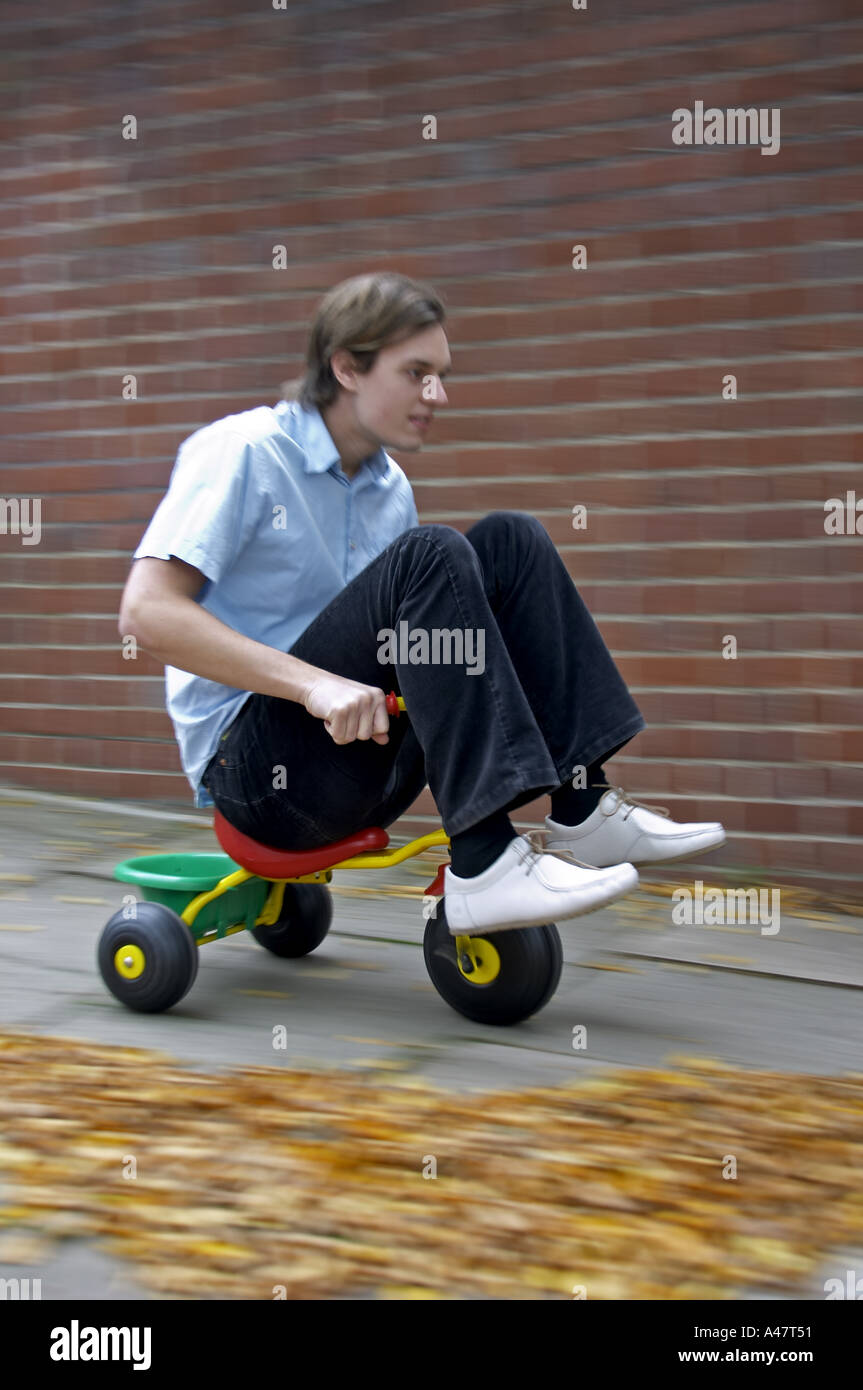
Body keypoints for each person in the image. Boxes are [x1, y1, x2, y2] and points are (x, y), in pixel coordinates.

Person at [120, 271, 724, 937]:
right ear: (347, 367)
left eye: (440, 375)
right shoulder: (244, 452)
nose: (437, 394)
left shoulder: (389, 489)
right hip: (262, 779)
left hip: (365, 760)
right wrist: (314, 687)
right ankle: (485, 859)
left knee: (510, 540)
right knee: (432, 554)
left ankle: (581, 803)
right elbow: (147, 616)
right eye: (416, 373)